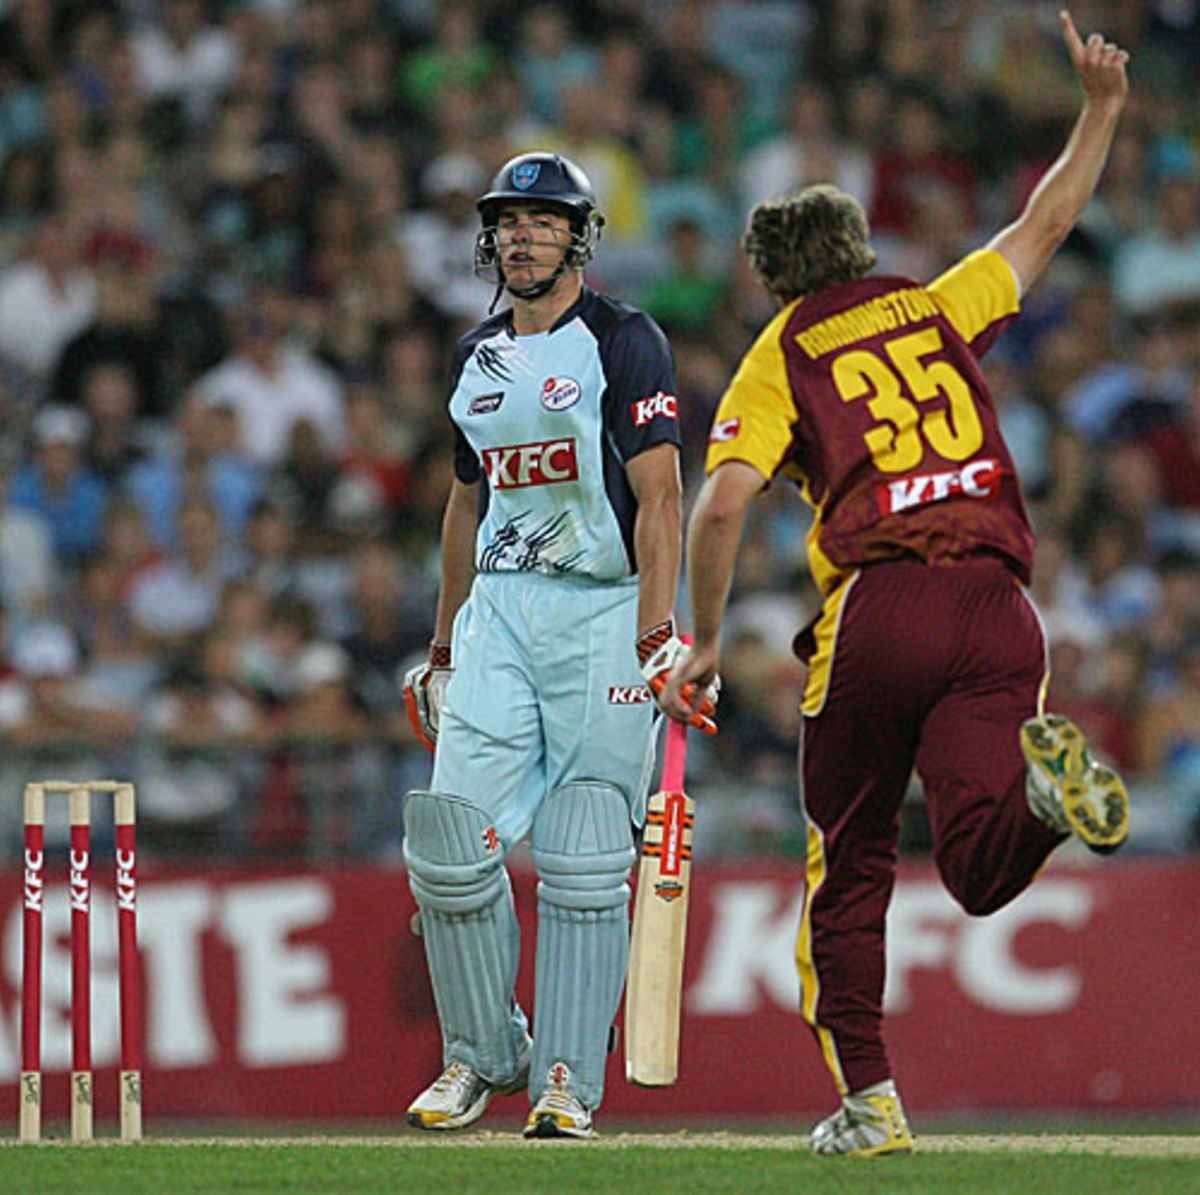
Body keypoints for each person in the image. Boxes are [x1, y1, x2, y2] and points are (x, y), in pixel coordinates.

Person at [661, 12, 1130, 1159]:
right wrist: (1104, 107)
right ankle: (1043, 803)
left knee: (851, 862)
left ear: (774, 278)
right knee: (975, 865)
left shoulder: (783, 350)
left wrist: (705, 640)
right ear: (863, 250)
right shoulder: (931, 302)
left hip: (883, 603)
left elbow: (721, 504)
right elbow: (1049, 219)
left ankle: (870, 1100)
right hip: (1006, 608)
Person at [400, 150, 715, 1140]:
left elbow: (662, 497)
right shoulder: (472, 355)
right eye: (506, 222)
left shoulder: (623, 340)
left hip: (602, 608)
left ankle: (568, 1076)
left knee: (583, 848)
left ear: (580, 237)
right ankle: (479, 1054)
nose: (520, 237)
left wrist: (659, 633)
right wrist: (444, 647)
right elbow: (466, 502)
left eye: (543, 221)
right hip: (500, 606)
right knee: (449, 838)